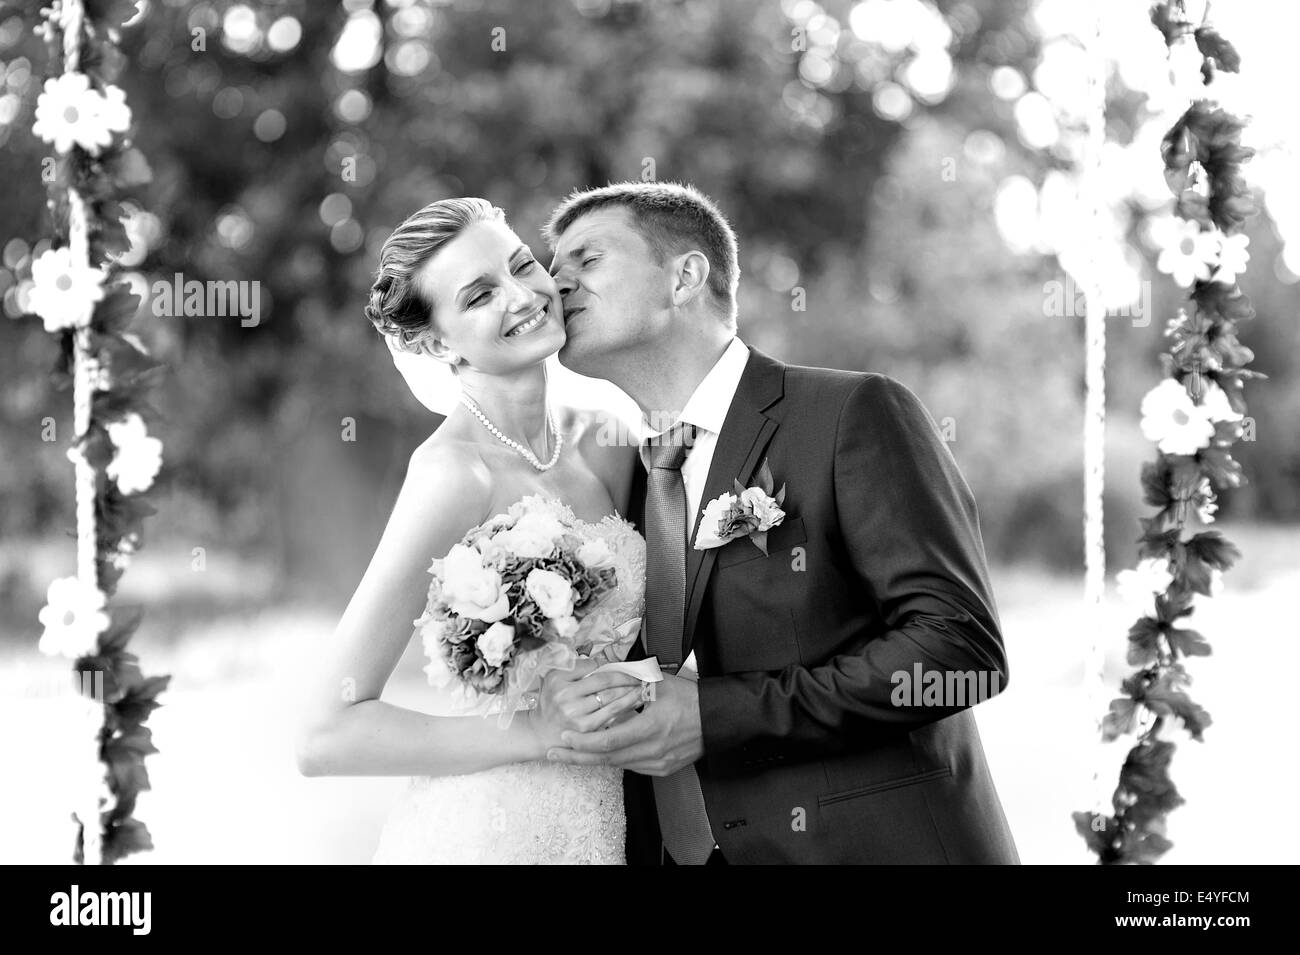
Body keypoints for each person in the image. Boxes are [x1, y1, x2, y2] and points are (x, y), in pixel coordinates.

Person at [543, 181, 1021, 864]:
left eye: (586, 261)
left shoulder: (850, 413)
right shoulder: (625, 484)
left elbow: (960, 652)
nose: (553, 284)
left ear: (684, 277)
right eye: (553, 266)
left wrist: (717, 715)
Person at [295, 197, 642, 864]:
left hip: (609, 819)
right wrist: (533, 733)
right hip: (491, 830)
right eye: (481, 294)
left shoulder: (606, 441)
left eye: (520, 265)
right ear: (433, 341)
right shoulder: (454, 475)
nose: (523, 297)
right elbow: (325, 732)